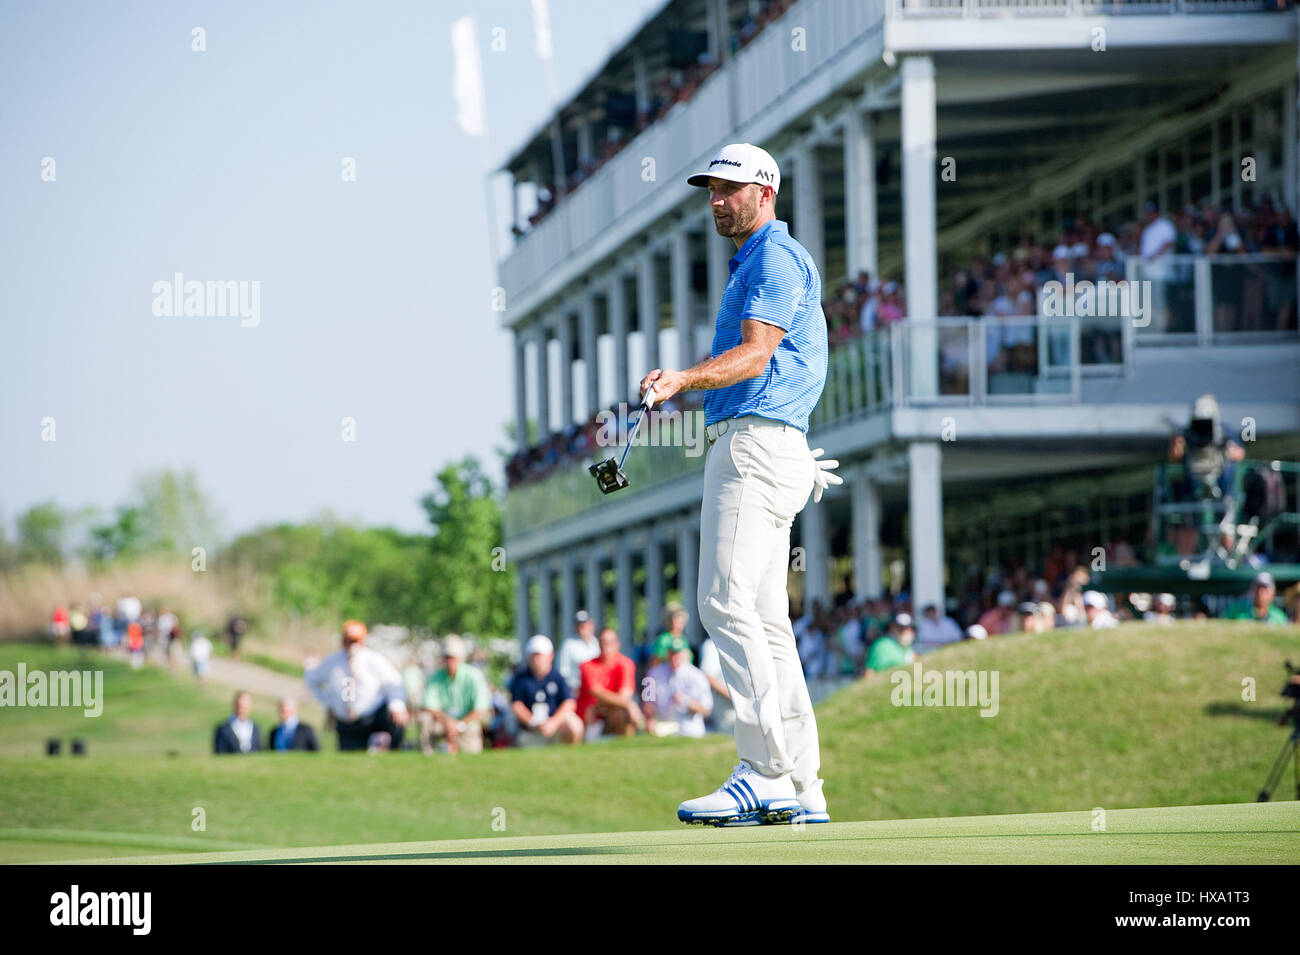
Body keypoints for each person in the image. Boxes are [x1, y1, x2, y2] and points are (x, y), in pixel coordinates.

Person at [643, 142, 834, 827]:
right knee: (767, 623)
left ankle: (763, 769)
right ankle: (803, 782)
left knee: (721, 602)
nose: (717, 200)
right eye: (711, 190)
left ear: (766, 192)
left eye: (729, 189)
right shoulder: (759, 259)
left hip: (753, 443)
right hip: (773, 445)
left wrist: (682, 378)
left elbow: (757, 356)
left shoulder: (773, 257)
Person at [304, 620, 409, 751]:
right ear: (343, 640)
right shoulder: (331, 662)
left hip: (374, 718)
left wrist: (396, 705)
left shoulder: (374, 659)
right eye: (349, 640)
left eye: (356, 641)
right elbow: (312, 680)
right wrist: (328, 703)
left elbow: (394, 682)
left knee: (395, 722)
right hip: (347, 723)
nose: (353, 645)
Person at [421, 634, 492, 754]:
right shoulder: (435, 677)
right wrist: (448, 722)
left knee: (472, 746)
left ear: (461, 658)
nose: (449, 662)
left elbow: (481, 709)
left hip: (467, 721)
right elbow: (429, 706)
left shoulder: (474, 676)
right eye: (447, 658)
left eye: (452, 658)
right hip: (442, 721)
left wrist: (459, 724)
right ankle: (427, 753)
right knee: (424, 719)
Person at [509, 635, 583, 746]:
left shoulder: (558, 678)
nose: (537, 659)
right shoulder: (521, 679)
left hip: (555, 727)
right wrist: (533, 722)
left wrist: (553, 722)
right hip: (531, 730)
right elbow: (517, 705)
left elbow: (569, 703)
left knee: (574, 724)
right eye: (534, 655)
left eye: (540, 655)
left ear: (550, 656)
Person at [575, 628, 642, 737]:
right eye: (602, 642)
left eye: (609, 642)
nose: (605, 645)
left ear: (617, 644)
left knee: (622, 713)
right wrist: (629, 704)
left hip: (611, 714)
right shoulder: (587, 666)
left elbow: (625, 695)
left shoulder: (625, 664)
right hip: (591, 719)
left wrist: (603, 704)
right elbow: (595, 691)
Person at [644, 636, 713, 738]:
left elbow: (707, 709)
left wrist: (686, 701)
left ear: (687, 654)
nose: (674, 658)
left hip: (690, 729)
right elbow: (648, 703)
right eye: (671, 653)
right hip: (662, 729)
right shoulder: (654, 673)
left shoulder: (697, 676)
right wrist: (650, 719)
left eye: (678, 654)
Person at [557, 610, 600, 690]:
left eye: (585, 624)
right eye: (579, 625)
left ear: (591, 624)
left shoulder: (597, 642)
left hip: (597, 689)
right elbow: (563, 671)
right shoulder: (568, 644)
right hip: (576, 690)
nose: (582, 627)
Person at [1223, 572, 1288, 624]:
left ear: (1273, 593)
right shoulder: (1234, 611)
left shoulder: (1279, 618)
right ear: (1252, 590)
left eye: (1265, 589)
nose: (1260, 593)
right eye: (1258, 588)